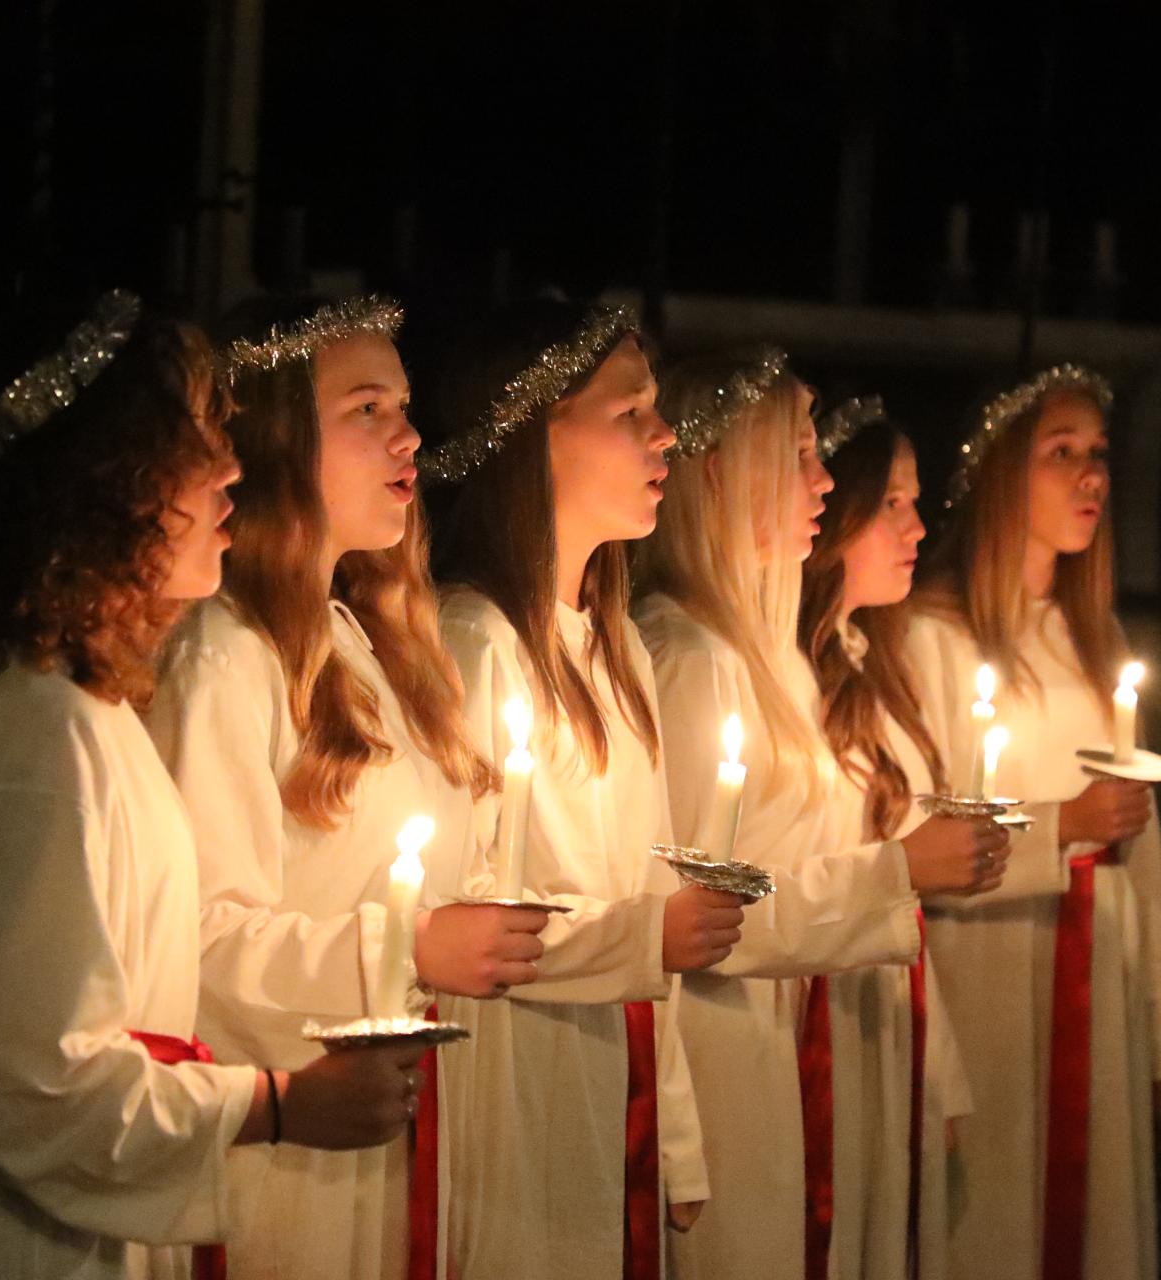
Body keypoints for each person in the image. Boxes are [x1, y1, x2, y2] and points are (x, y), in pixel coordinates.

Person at [0, 294, 424, 1280]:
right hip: (3, 1233)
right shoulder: (23, 731)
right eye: (198, 440)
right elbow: (38, 1078)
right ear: (106, 477)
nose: (234, 469)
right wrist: (280, 1100)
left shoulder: (81, 708)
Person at [145, 296, 549, 1280]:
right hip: (270, 1146)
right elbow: (194, 941)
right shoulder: (227, 658)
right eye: (366, 407)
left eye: (405, 405)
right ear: (280, 439)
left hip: (364, 1128)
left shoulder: (364, 644)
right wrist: (406, 942)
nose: (410, 434)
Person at [635, 349, 1001, 1279]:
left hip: (789, 1032)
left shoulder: (768, 659)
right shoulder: (688, 656)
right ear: (719, 470)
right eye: (798, 451)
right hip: (726, 1056)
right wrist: (899, 871)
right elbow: (694, 916)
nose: (824, 478)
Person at [423, 299, 736, 1279]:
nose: (665, 433)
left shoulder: (618, 650)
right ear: (531, 432)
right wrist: (646, 934)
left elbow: (650, 900)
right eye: (628, 410)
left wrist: (675, 1134)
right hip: (512, 1091)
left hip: (610, 1082)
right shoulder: (477, 642)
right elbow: (462, 909)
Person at [904, 365, 1161, 1280]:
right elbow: (919, 826)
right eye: (1062, 453)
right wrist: (1062, 825)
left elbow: (1141, 854)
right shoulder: (934, 636)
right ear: (1002, 474)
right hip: (992, 974)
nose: (1092, 476)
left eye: (1101, 456)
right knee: (993, 1227)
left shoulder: (1096, 641)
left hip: (1101, 975)